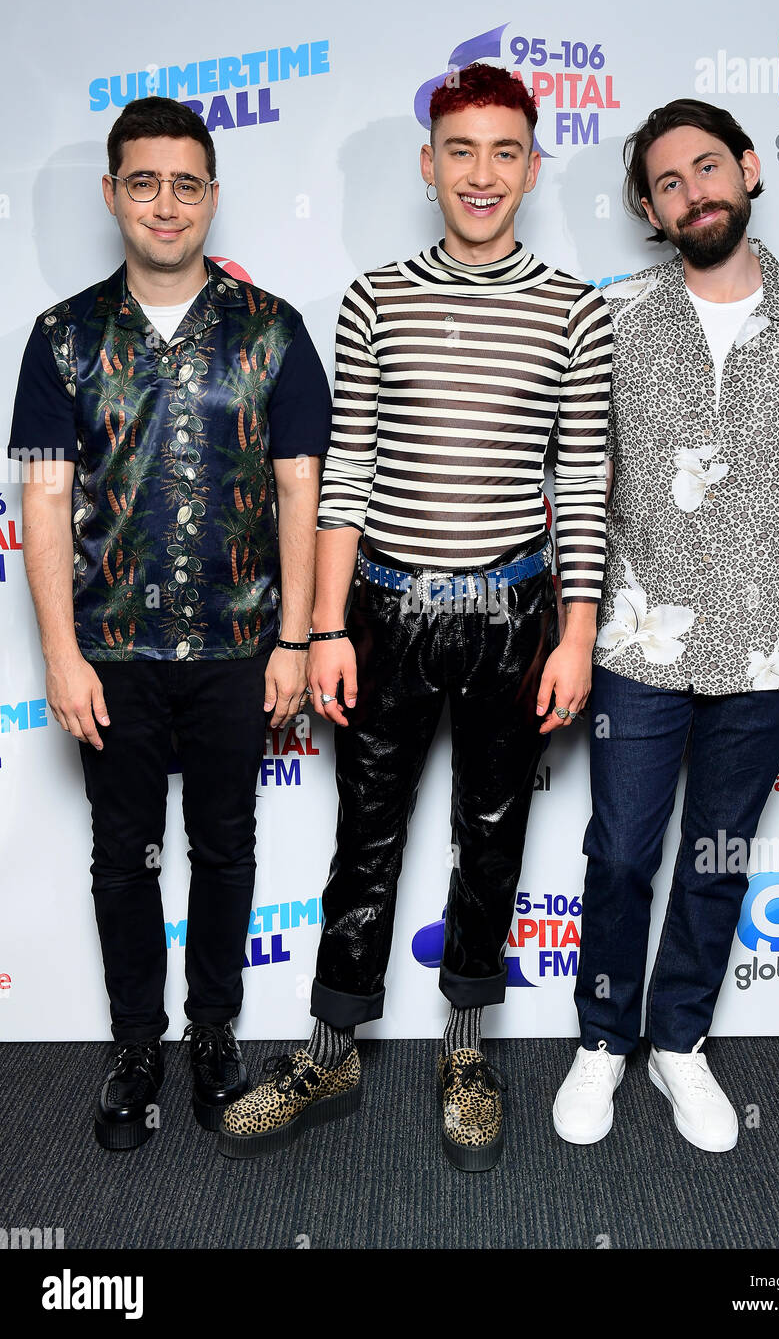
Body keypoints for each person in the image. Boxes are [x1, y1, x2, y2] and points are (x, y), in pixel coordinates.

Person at [218, 63, 612, 1170]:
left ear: (532, 168)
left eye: (502, 153)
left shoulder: (573, 309)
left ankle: (466, 1049)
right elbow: (347, 476)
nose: (479, 174)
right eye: (459, 151)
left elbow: (580, 482)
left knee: (492, 836)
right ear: (427, 164)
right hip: (386, 610)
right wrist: (327, 625)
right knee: (367, 836)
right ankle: (330, 1049)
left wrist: (575, 631)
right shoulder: (375, 297)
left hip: (511, 609)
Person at [552, 98, 779, 1153]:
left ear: (747, 169)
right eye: (668, 182)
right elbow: (587, 480)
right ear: (649, 212)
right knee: (619, 851)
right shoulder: (615, 319)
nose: (693, 190)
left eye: (707, 167)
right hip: (633, 637)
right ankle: (603, 1039)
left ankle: (679, 1043)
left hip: (768, 640)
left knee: (717, 851)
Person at [8, 96, 331, 1150]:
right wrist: (60, 652)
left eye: (185, 183)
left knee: (226, 851)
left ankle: (215, 1036)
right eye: (142, 182)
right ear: (112, 194)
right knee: (122, 859)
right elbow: (44, 504)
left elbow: (299, 488)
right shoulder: (61, 339)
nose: (165, 203)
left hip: (240, 649)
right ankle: (138, 1047)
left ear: (212, 197)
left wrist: (293, 640)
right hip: (113, 656)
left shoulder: (271, 329)